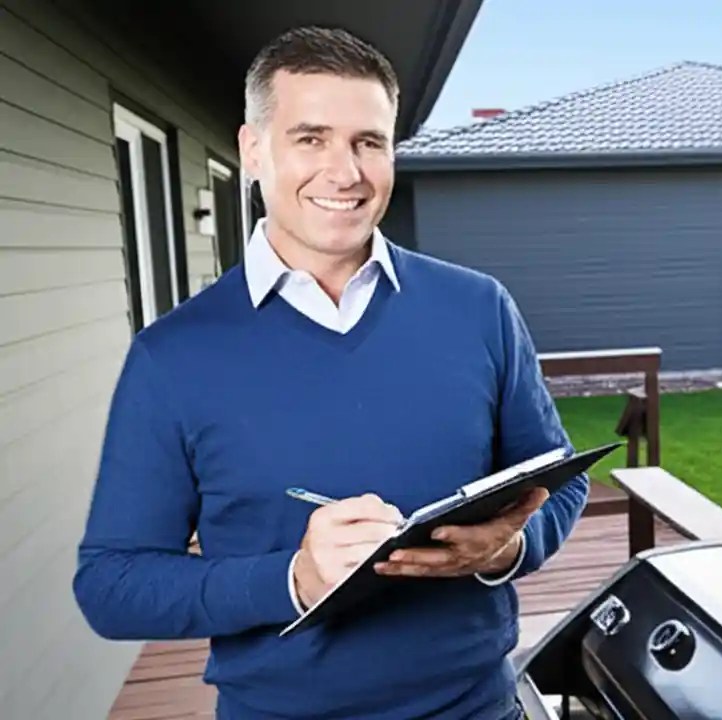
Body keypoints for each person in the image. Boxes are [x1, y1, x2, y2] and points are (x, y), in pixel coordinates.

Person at [72, 26, 588, 720]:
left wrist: (507, 548)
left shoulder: (478, 308)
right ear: (253, 150)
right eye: (310, 138)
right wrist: (293, 578)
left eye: (368, 142)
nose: (344, 172)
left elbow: (559, 477)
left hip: (480, 708)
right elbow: (112, 584)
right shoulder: (173, 357)